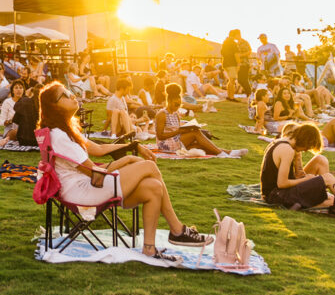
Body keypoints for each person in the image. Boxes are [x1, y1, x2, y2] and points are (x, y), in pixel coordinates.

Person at [36, 81, 211, 257]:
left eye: (69, 91)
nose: (72, 95)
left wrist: (132, 145)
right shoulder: (58, 135)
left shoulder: (66, 130)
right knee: (149, 166)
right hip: (83, 193)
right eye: (64, 95)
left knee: (153, 187)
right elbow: (95, 173)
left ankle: (149, 248)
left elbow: (99, 150)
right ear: (54, 106)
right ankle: (177, 230)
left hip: (89, 185)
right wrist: (128, 159)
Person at [259, 122, 335, 217]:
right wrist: (307, 179)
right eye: (307, 147)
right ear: (304, 141)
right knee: (332, 194)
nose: (305, 150)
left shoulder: (285, 143)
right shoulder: (287, 150)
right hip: (276, 196)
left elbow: (297, 175)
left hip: (280, 192)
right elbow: (282, 183)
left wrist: (298, 158)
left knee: (321, 159)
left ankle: (325, 195)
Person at [154, 83, 244, 158]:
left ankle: (229, 152)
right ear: (169, 101)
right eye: (176, 104)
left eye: (179, 105)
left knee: (200, 145)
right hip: (165, 144)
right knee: (196, 133)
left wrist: (186, 129)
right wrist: (179, 131)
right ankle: (221, 154)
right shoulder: (162, 114)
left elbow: (176, 130)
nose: (177, 107)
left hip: (175, 140)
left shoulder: (175, 113)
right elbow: (160, 136)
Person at [220, 29, 250, 96]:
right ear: (234, 35)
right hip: (232, 64)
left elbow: (222, 53)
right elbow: (236, 55)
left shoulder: (225, 42)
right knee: (232, 80)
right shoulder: (233, 43)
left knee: (233, 80)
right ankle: (231, 97)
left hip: (228, 63)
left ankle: (230, 96)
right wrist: (238, 64)